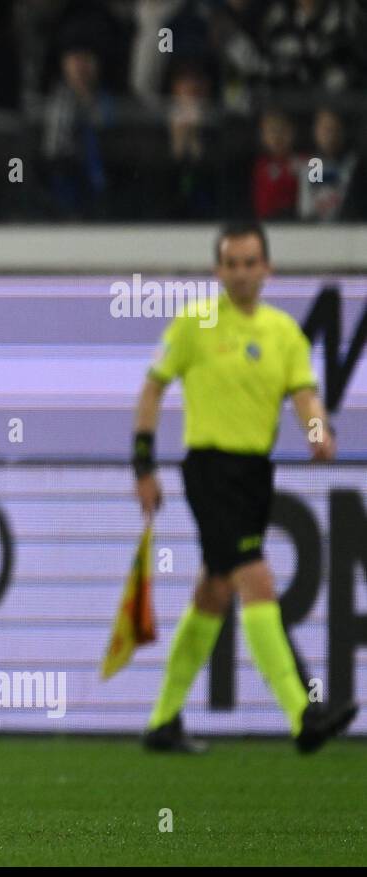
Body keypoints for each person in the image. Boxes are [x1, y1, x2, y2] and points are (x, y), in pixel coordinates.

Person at [133, 221, 359, 754]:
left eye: (249, 262)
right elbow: (152, 389)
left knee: (214, 591)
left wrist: (317, 431)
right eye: (230, 263)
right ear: (217, 270)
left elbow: (304, 396)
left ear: (267, 268)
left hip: (256, 474)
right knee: (255, 577)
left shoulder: (284, 333)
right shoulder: (195, 323)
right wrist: (142, 464)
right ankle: (303, 713)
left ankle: (163, 721)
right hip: (209, 470)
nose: (240, 273)